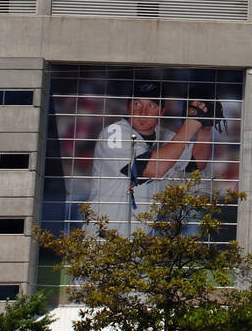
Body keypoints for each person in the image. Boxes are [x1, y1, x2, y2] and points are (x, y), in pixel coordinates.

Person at [88, 79, 216, 233]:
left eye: (151, 105)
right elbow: (152, 169)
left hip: (138, 243)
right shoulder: (114, 133)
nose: (143, 112)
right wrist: (191, 124)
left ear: (162, 111)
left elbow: (196, 164)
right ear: (128, 108)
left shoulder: (167, 137)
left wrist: (204, 129)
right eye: (137, 104)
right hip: (103, 239)